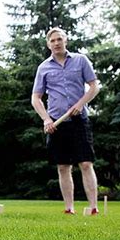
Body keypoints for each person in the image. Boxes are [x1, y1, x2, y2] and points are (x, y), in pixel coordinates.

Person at [31, 28, 100, 215]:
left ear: (65, 41)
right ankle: (69, 208)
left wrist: (81, 103)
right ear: (48, 44)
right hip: (57, 123)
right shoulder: (43, 68)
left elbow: (94, 87)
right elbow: (36, 98)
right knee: (63, 166)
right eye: (52, 40)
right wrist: (46, 119)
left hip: (80, 120)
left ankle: (93, 207)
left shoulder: (80, 60)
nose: (56, 43)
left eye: (59, 39)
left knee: (86, 163)